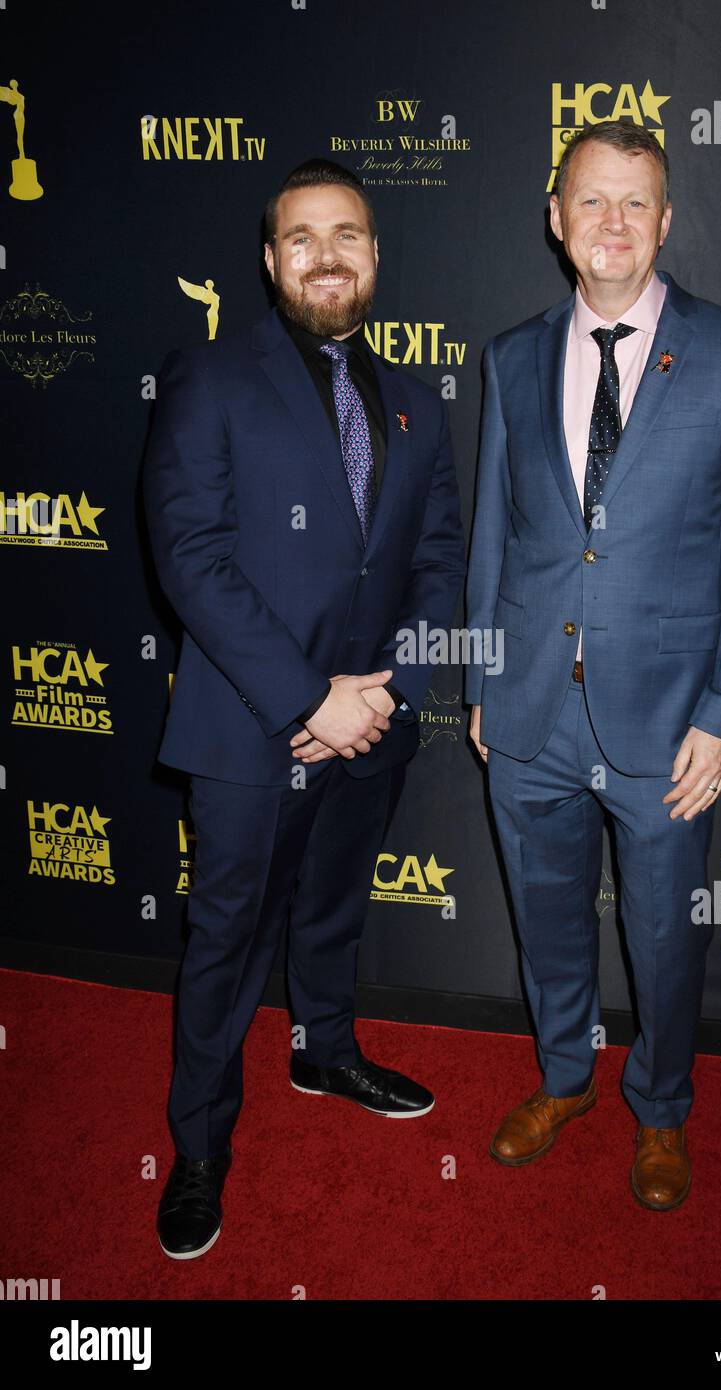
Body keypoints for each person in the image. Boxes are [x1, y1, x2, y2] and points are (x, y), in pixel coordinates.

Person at [143, 158, 466, 1258]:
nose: (329, 255)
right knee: (225, 940)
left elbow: (438, 559)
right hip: (251, 726)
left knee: (333, 910)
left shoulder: (420, 403)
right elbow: (190, 557)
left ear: (375, 253)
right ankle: (197, 1146)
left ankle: (325, 1047)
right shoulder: (210, 375)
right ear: (272, 260)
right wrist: (307, 698)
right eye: (304, 238)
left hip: (372, 724)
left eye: (350, 234)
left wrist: (393, 695)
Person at [464, 121, 721, 1210]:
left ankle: (660, 1108)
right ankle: (565, 1078)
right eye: (589, 201)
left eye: (634, 202)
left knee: (662, 936)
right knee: (545, 914)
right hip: (528, 709)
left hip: (668, 721)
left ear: (666, 220)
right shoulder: (507, 357)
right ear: (555, 221)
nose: (612, 223)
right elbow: (492, 541)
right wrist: (480, 681)